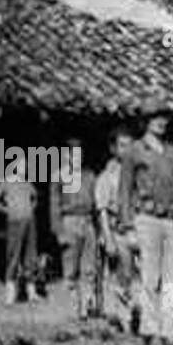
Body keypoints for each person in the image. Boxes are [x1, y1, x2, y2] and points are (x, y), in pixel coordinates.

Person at [118, 105, 173, 345]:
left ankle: (169, 329)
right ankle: (149, 329)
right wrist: (127, 227)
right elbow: (124, 190)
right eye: (154, 117)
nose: (160, 122)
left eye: (163, 117)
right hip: (146, 218)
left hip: (171, 220)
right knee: (149, 277)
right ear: (145, 121)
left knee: (171, 279)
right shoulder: (135, 151)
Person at [49, 135, 98, 319]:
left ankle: (87, 308)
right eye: (73, 154)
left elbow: (96, 203)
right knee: (70, 268)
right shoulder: (60, 175)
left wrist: (98, 230)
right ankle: (71, 310)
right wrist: (58, 231)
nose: (77, 158)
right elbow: (54, 205)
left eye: (80, 154)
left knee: (89, 268)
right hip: (69, 221)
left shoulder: (89, 175)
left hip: (88, 222)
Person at [96, 127, 138, 332]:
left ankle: (142, 317)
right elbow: (102, 210)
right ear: (113, 148)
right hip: (118, 230)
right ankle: (124, 320)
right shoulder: (107, 176)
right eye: (122, 145)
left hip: (138, 230)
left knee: (141, 277)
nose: (127, 149)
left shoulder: (139, 173)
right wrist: (108, 238)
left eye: (130, 145)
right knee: (122, 276)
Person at [0, 155, 39, 305]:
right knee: (13, 255)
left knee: (30, 255)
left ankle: (31, 292)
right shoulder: (7, 181)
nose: (25, 168)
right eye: (22, 165)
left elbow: (35, 197)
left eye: (26, 166)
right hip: (15, 221)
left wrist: (31, 208)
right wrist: (6, 209)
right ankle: (10, 293)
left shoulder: (27, 183)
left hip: (30, 222)